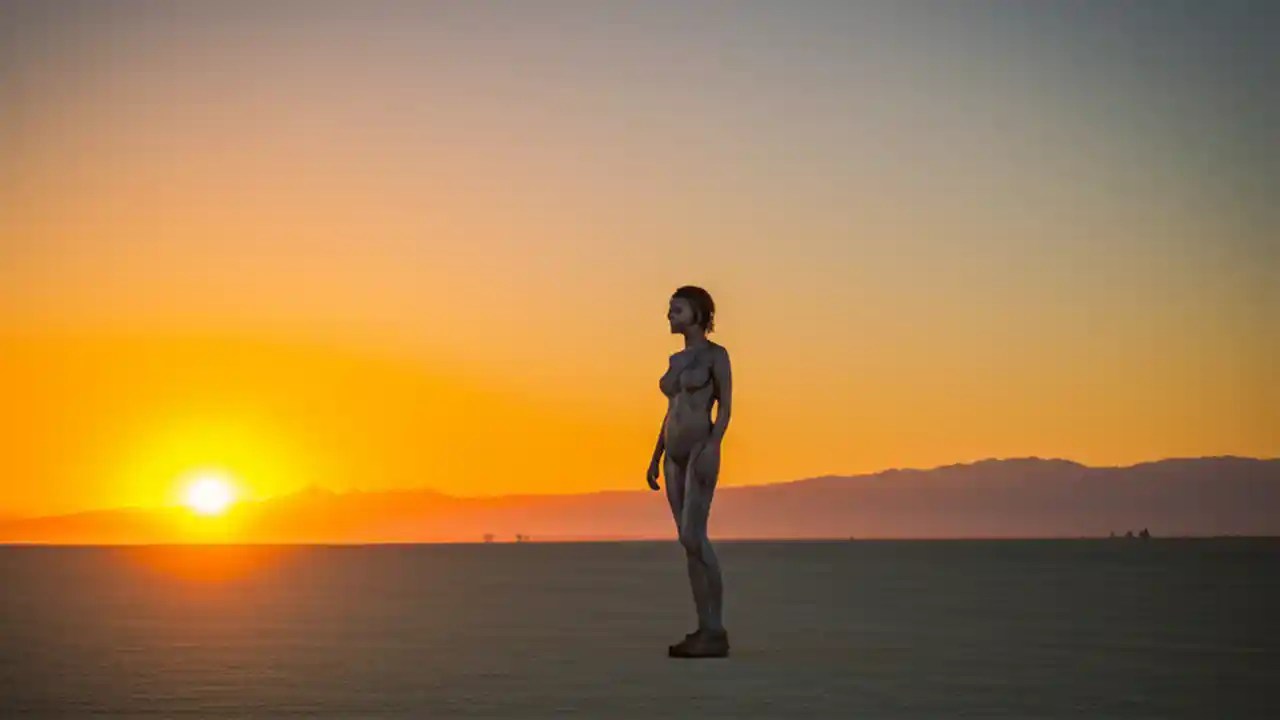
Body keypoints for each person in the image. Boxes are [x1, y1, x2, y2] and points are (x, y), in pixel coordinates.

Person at [646, 285, 733, 658]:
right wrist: (654, 456)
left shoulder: (717, 356)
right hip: (673, 455)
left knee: (695, 538)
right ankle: (703, 627)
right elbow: (671, 412)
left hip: (699, 450)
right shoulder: (675, 360)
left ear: (697, 313)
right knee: (686, 541)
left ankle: (715, 629)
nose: (669, 315)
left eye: (676, 309)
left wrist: (713, 445)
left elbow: (725, 407)